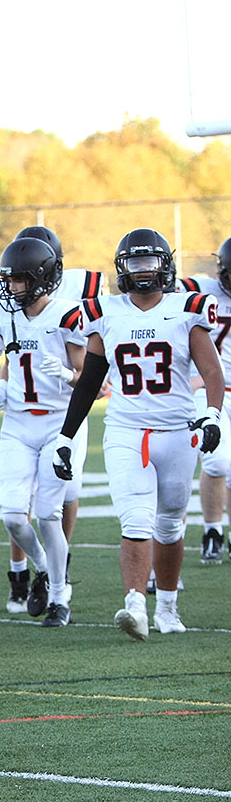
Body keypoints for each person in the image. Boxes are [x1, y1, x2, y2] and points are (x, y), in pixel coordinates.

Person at [53, 228, 223, 640]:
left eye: (150, 262)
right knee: (135, 518)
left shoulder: (188, 309)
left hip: (177, 430)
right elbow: (90, 381)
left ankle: (167, 607)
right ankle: (134, 606)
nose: (143, 271)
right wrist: (65, 436)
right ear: (122, 268)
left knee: (170, 524)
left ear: (165, 266)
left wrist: (213, 414)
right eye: (135, 263)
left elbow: (212, 372)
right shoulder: (105, 313)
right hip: (126, 430)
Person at [0, 225, 100, 609]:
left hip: (58, 423)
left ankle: (60, 597)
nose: (12, 287)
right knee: (14, 517)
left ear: (42, 279)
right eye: (9, 279)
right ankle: (46, 566)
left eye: (21, 280)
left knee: (48, 514)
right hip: (17, 423)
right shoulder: (1, 312)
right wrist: (0, 384)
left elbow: (91, 379)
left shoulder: (67, 315)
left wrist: (66, 374)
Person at [179, 236, 231, 564]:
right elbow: (163, 290)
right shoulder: (200, 289)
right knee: (217, 461)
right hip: (208, 387)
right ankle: (213, 530)